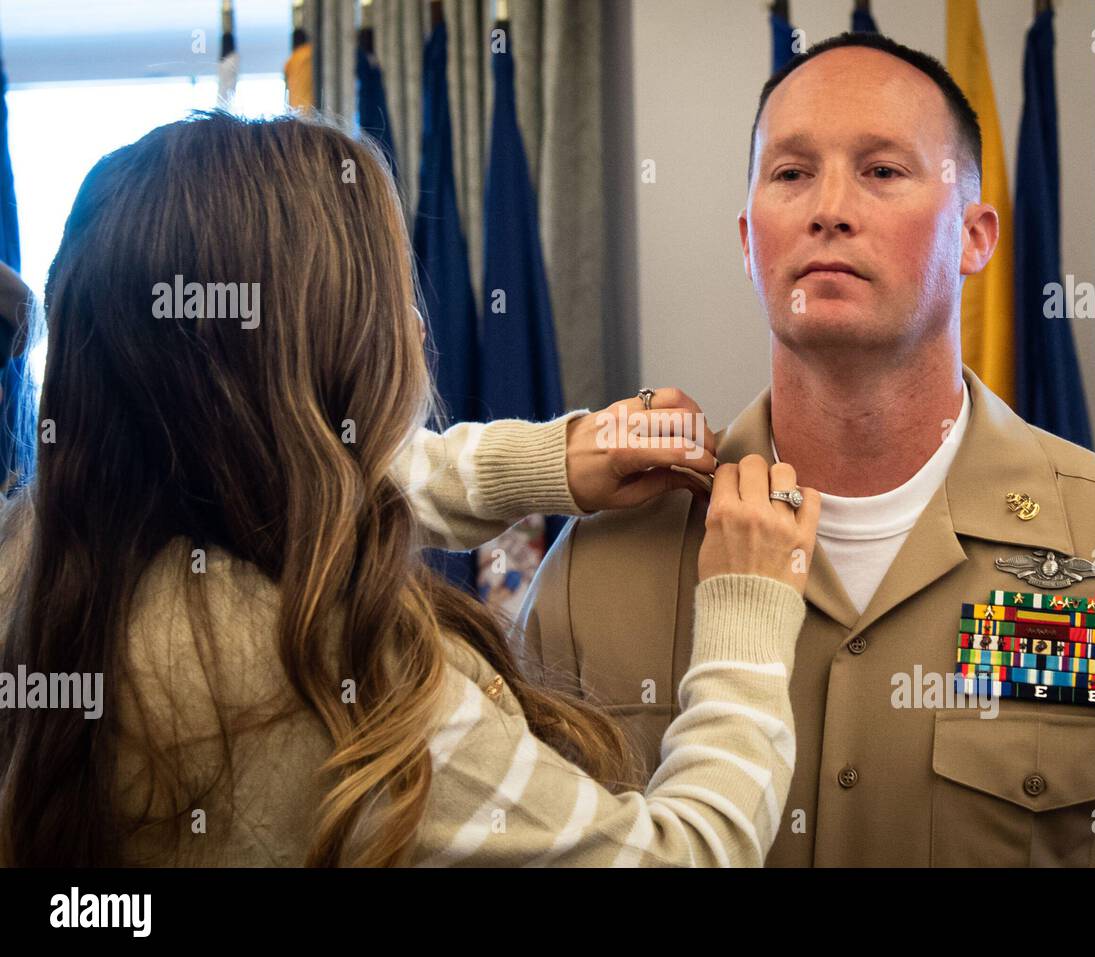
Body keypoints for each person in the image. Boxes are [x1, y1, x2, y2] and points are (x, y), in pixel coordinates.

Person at [521, 32, 1095, 866]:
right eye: (791, 173)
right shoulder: (595, 572)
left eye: (882, 170)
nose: (829, 206)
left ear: (974, 238)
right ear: (750, 242)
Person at [0, 109, 822, 867]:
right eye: (387, 293)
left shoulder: (42, 548)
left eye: (884, 172)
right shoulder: (338, 688)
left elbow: (294, 476)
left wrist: (551, 457)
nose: (418, 326)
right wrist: (747, 612)